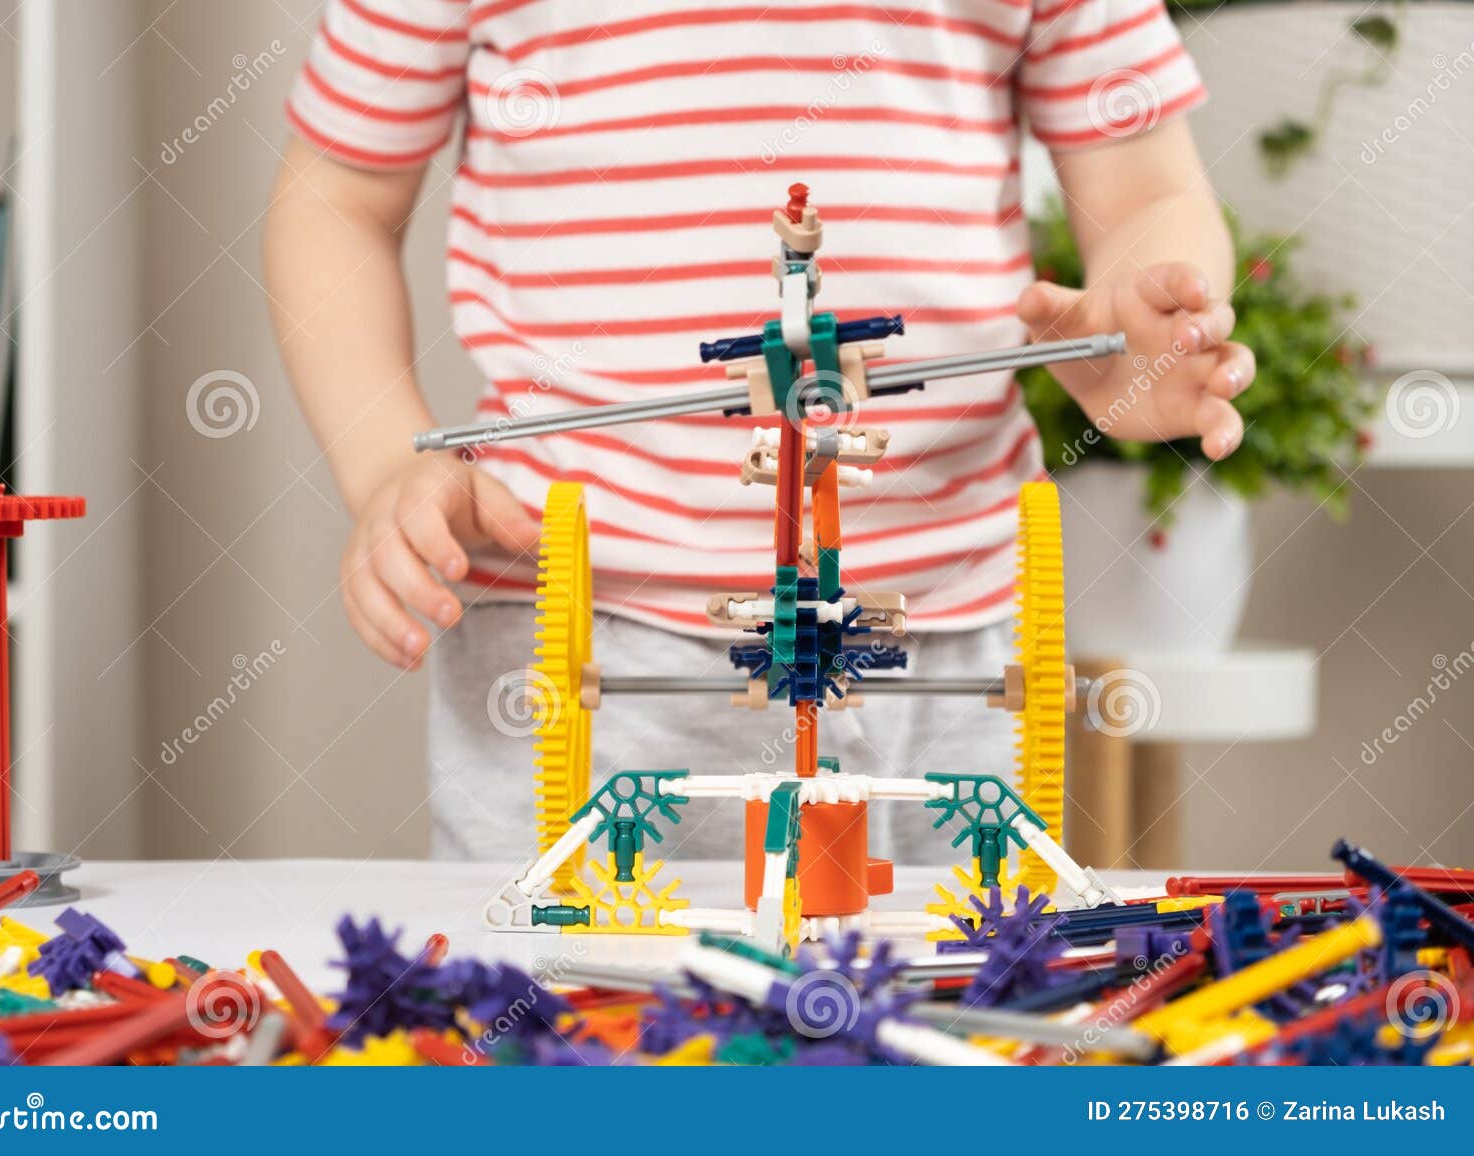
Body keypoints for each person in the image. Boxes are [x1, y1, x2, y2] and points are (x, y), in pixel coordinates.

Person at [264, 0, 1253, 863]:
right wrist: (386, 457)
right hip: (574, 632)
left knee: (936, 1022)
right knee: (562, 1032)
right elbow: (337, 197)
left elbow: (1148, 191)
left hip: (949, 635)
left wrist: (1143, 326)